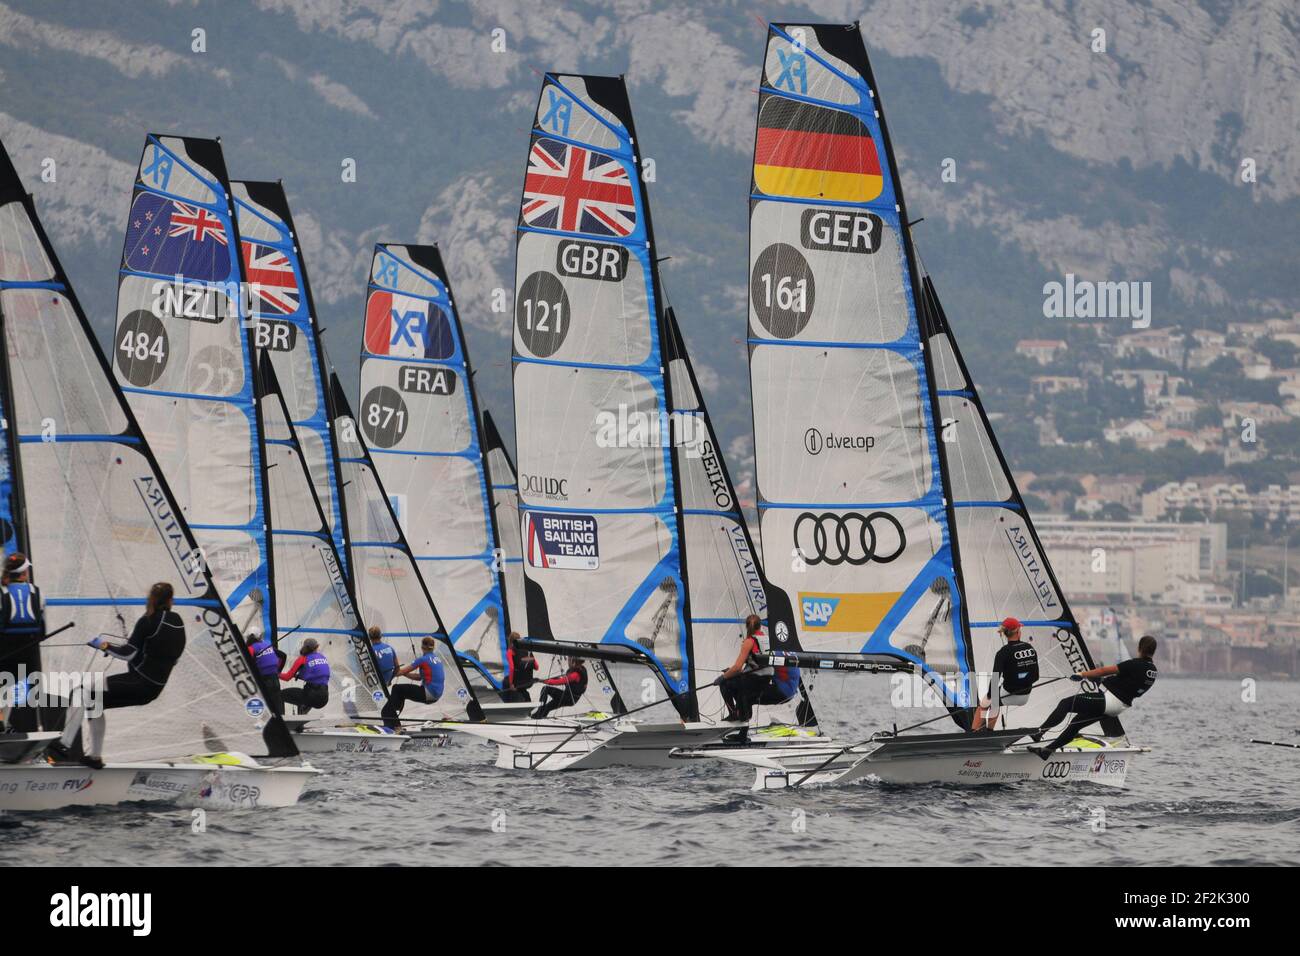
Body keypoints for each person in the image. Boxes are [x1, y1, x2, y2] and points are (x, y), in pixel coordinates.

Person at [46, 582, 186, 769]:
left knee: (80, 692)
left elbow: (128, 653)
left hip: (139, 682)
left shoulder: (148, 620)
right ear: (171, 600)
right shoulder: (178, 622)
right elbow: (170, 657)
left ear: (150, 599)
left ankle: (62, 747)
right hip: (153, 688)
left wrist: (102, 645)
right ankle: (94, 758)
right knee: (94, 701)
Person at [1028, 635, 1159, 759]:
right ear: (1153, 651)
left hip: (1109, 701)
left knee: (1066, 704)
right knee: (1075, 724)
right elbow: (1128, 685)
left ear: (1140, 648)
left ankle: (1040, 732)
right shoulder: (1153, 671)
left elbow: (1104, 670)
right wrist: (1100, 681)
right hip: (1118, 707)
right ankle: (1047, 751)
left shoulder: (1135, 664)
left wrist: (1082, 674)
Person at [716, 615, 800, 729]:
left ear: (747, 626)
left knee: (727, 684)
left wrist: (723, 677)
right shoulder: (771, 641)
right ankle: (742, 718)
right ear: (760, 626)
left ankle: (737, 717)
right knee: (744, 691)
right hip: (777, 685)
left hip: (780, 689)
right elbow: (760, 667)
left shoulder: (749, 641)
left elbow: (737, 668)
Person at [0, 552, 48, 733]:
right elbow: (43, 627)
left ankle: (2, 724)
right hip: (29, 651)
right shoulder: (38, 592)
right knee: (19, 687)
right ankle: (32, 727)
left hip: (5, 648)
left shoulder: (2, 592)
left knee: (4, 685)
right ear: (24, 573)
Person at [972, 617, 1039, 731]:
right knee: (995, 701)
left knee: (985, 704)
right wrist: (1022, 683)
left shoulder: (1003, 652)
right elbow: (1036, 676)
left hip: (1008, 692)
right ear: (1018, 632)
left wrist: (989, 696)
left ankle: (974, 733)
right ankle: (988, 731)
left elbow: (995, 678)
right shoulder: (1029, 648)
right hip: (1025, 695)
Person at [380, 636, 444, 730]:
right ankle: (395, 721)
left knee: (396, 689)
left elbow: (399, 672)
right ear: (433, 647)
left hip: (428, 693)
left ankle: (394, 724)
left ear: (422, 647)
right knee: (400, 693)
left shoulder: (423, 659)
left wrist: (387, 676)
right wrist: (404, 674)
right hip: (435, 695)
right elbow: (419, 677)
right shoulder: (436, 659)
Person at [279, 638, 331, 715]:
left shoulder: (302, 659)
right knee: (304, 697)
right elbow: (317, 674)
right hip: (324, 698)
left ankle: (280, 721)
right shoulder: (322, 657)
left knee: (280, 695)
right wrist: (298, 676)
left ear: (304, 647)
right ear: (317, 647)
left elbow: (287, 677)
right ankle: (301, 717)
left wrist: (275, 674)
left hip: (311, 696)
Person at [246, 631, 284, 716]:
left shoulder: (251, 648)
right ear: (259, 637)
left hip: (264, 680)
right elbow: (283, 655)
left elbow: (247, 663)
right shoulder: (267, 645)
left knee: (263, 706)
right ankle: (281, 723)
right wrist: (278, 671)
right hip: (275, 679)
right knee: (277, 705)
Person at [501, 631, 537, 703]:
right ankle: (526, 699)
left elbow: (511, 668)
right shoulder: (527, 650)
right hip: (529, 681)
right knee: (521, 688)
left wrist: (511, 684)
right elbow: (537, 667)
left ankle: (505, 703)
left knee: (505, 681)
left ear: (510, 641)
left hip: (518, 682)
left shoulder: (510, 651)